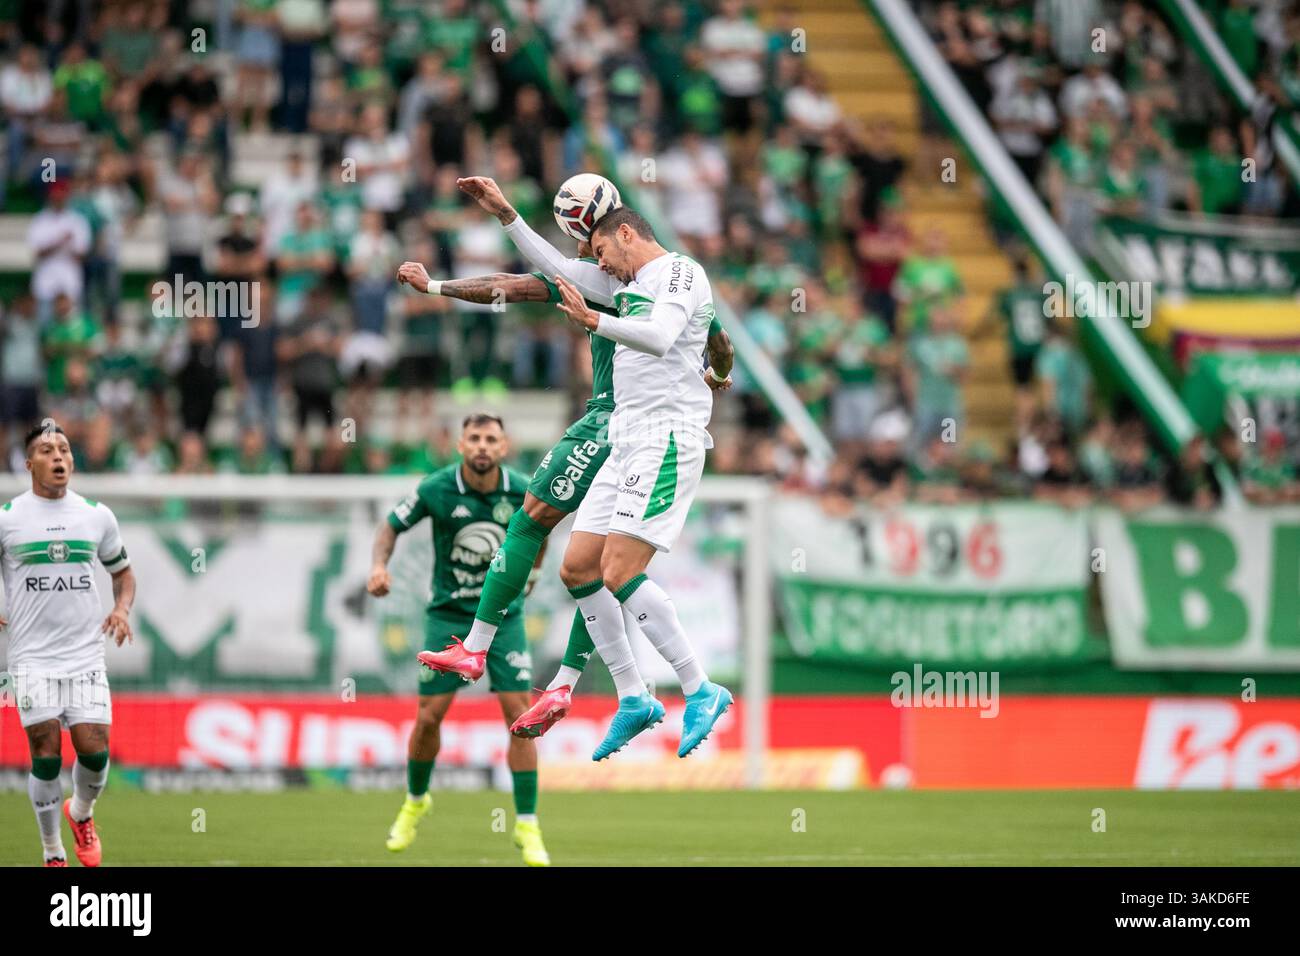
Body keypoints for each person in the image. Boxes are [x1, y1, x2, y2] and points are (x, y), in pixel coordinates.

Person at [395, 179, 734, 751]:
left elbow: (659, 335)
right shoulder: (616, 278)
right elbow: (547, 265)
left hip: (665, 436)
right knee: (579, 568)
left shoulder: (679, 273)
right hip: (627, 436)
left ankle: (699, 688)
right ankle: (633, 696)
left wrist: (594, 321)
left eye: (598, 250)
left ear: (625, 232)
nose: (593, 263)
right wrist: (506, 214)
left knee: (621, 572)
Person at [366, 414, 550, 866]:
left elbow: (543, 527)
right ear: (460, 445)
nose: (483, 446)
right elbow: (390, 525)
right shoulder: (436, 488)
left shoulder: (522, 489)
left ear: (504, 447)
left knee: (521, 716)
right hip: (447, 616)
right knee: (429, 717)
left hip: (503, 618)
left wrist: (537, 571)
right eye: (474, 438)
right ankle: (415, 800)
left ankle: (527, 824)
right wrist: (378, 566)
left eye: (491, 439)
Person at [0, 422, 135, 866]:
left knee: (95, 752)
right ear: (29, 464)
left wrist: (121, 609)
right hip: (31, 655)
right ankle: (52, 851)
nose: (57, 456)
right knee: (45, 750)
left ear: (72, 461)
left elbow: (123, 574)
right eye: (46, 450)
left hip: (84, 654)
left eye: (63, 449)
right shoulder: (8, 518)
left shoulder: (96, 515)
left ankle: (80, 812)